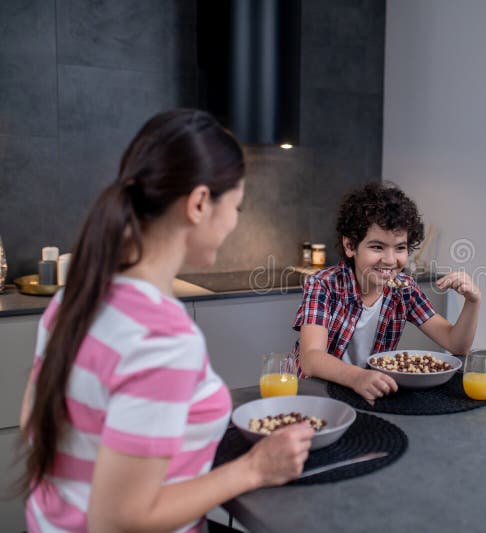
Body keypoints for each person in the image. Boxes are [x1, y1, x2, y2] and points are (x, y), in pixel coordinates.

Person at [18, 109, 314, 532]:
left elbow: (37, 425)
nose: (233, 221)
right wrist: (255, 469)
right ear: (198, 204)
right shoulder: (160, 338)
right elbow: (117, 521)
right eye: (236, 206)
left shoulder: (74, 295)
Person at [293, 182, 481, 402]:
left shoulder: (404, 289)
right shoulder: (324, 285)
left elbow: (455, 344)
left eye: (400, 248)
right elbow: (311, 358)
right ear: (350, 246)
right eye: (377, 247)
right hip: (316, 394)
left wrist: (473, 302)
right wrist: (358, 377)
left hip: (368, 392)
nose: (391, 260)